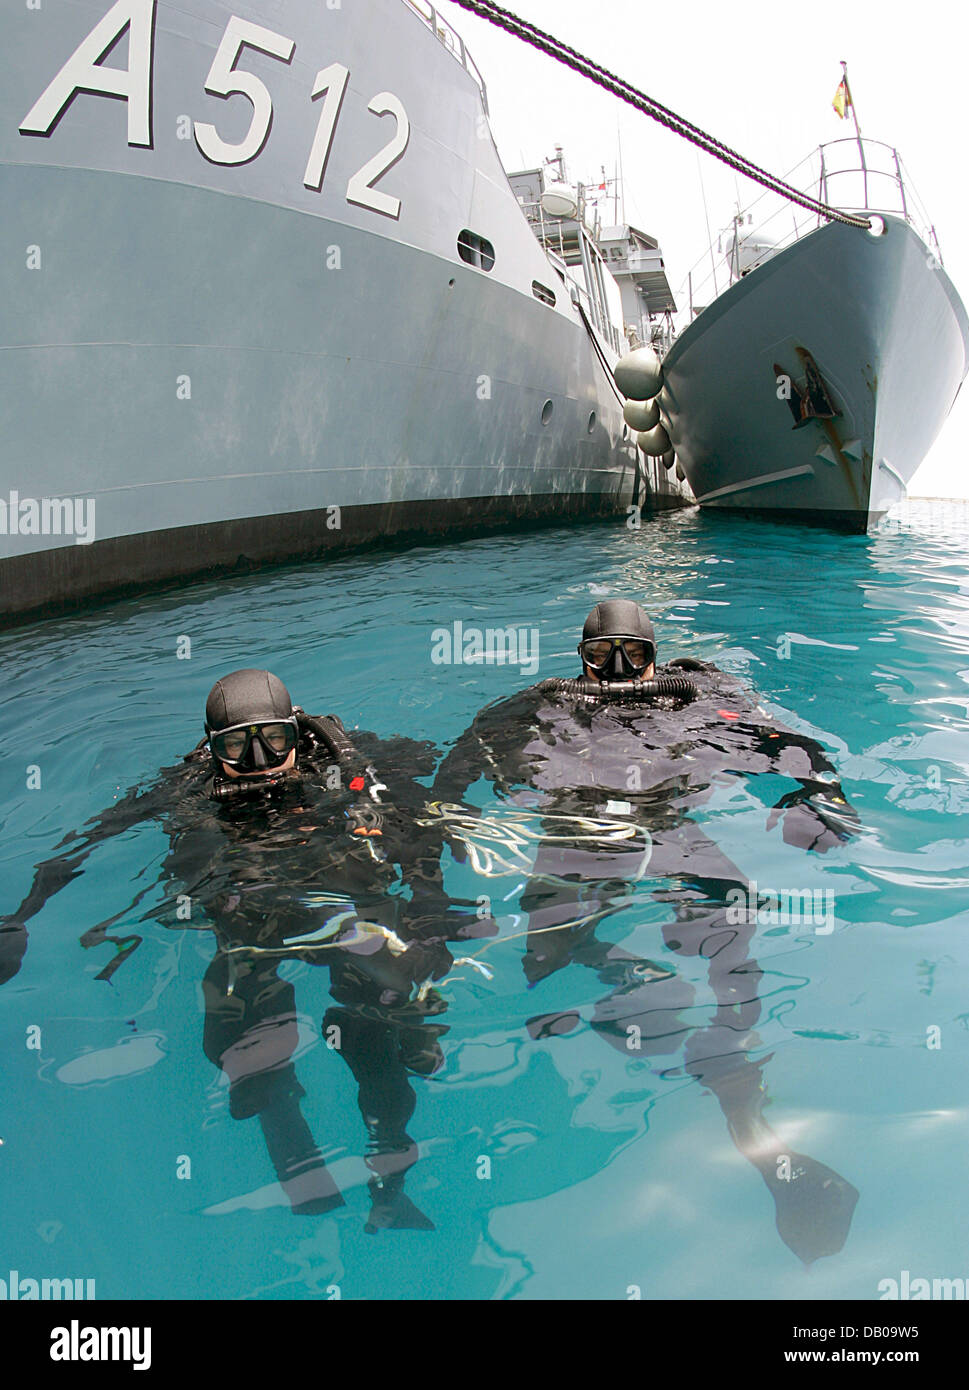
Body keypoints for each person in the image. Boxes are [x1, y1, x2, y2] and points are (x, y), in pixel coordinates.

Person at [430, 599, 862, 1264]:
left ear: (655, 658)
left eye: (634, 655)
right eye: (601, 657)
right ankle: (616, 976)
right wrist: (452, 819)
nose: (618, 670)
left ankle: (735, 1073)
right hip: (574, 831)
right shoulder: (539, 708)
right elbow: (462, 759)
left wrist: (817, 795)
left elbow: (783, 745)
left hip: (664, 827)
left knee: (734, 910)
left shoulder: (693, 702)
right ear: (581, 660)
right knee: (543, 961)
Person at [2, 669, 486, 1228]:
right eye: (237, 747)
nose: (259, 761)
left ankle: (390, 1177)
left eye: (275, 740)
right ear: (213, 748)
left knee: (376, 1020)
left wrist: (429, 907)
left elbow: (428, 810)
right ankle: (288, 1135)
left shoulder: (346, 762)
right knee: (246, 1035)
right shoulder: (187, 789)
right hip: (251, 914)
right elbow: (84, 845)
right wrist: (20, 918)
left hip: (341, 903)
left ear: (295, 733)